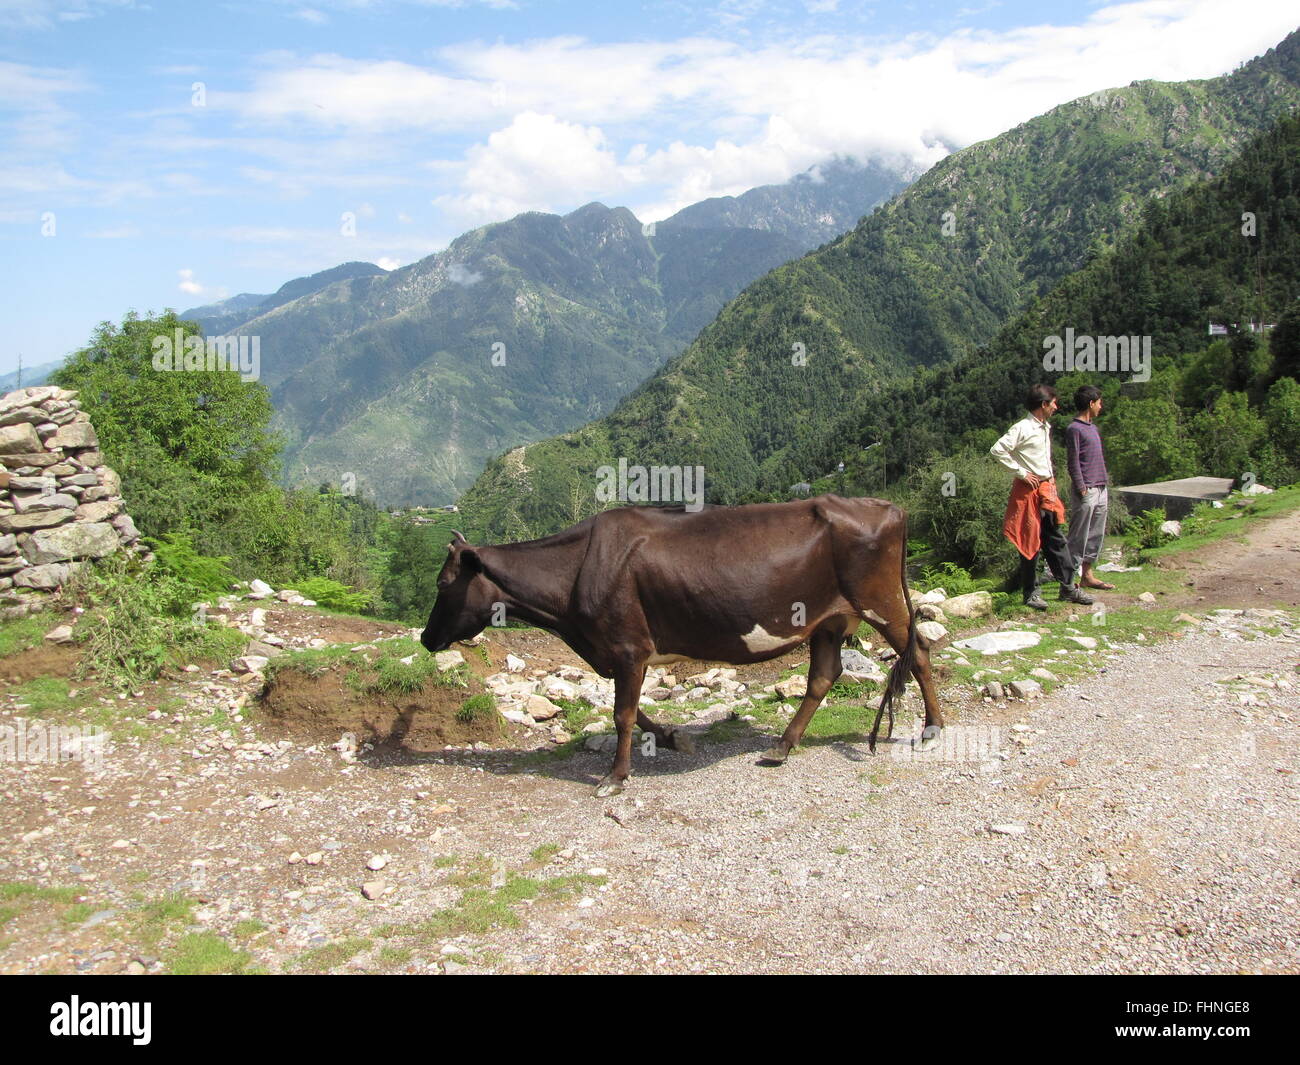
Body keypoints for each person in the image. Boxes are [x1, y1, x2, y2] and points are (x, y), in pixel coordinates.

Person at [991, 384, 1094, 611]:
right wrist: (1021, 473)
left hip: (1045, 489)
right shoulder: (1023, 428)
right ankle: (1031, 592)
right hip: (1029, 490)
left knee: (1055, 539)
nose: (1056, 407)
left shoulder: (1043, 427)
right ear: (1043, 404)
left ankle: (1067, 586)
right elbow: (997, 449)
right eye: (1053, 403)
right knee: (1030, 541)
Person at [1065, 385, 1115, 591]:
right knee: (1079, 535)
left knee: (1095, 534)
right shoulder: (1074, 429)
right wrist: (1081, 486)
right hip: (1087, 488)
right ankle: (1067, 581)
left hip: (1100, 486)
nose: (1101, 406)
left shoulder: (1093, 428)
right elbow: (1073, 460)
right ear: (1091, 403)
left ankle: (1087, 575)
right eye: (1099, 402)